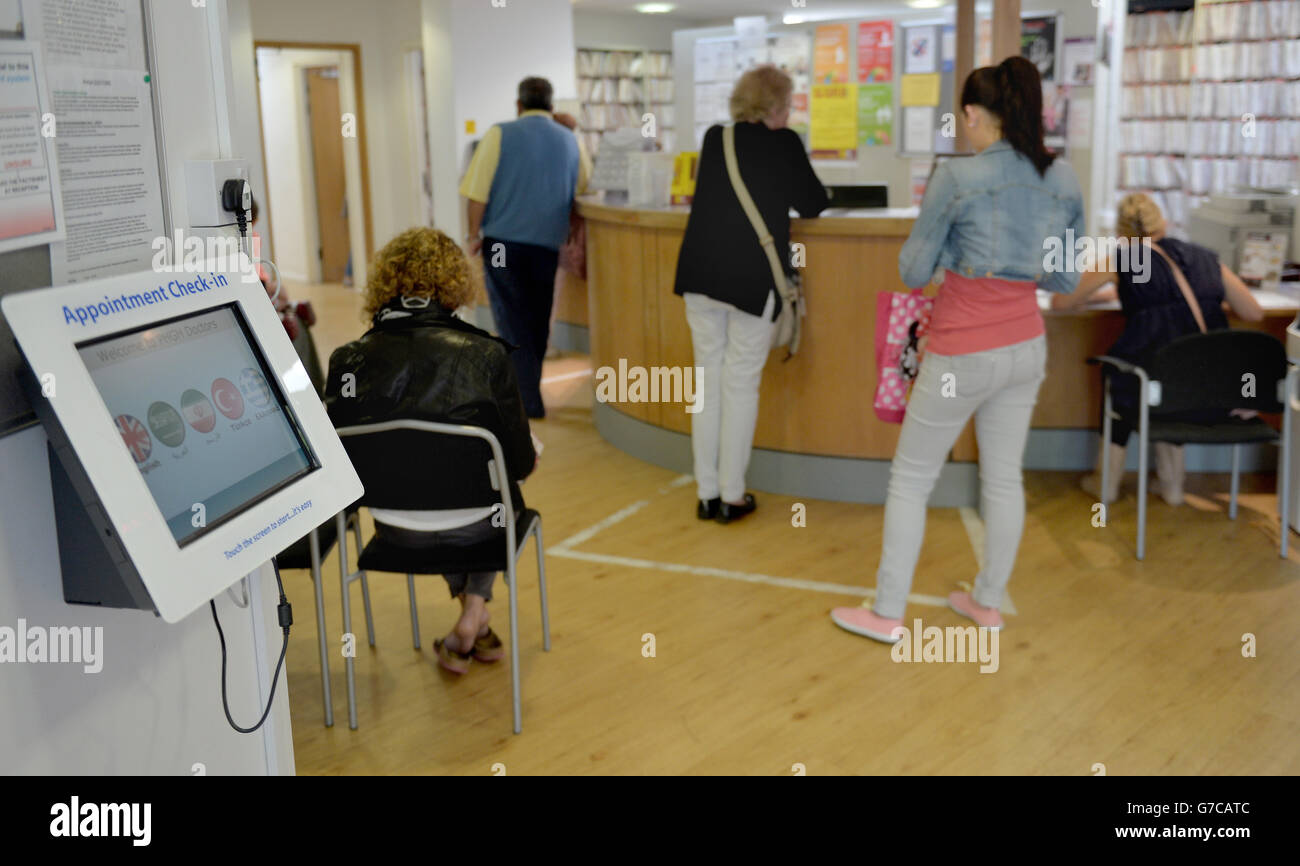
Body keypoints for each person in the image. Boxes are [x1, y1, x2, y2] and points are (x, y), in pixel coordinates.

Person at [831, 57, 1085, 643]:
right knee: (1003, 479)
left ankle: (888, 612)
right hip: (1026, 348)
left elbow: (913, 268)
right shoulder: (1062, 178)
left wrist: (956, 260)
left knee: (912, 478)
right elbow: (1063, 280)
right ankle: (986, 601)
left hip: (960, 354)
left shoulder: (956, 176)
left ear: (973, 114)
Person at [324, 227, 537, 675]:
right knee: (492, 492)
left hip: (393, 530)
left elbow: (341, 469)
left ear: (384, 283)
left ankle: (473, 623)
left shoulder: (347, 361)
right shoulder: (485, 354)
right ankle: (474, 616)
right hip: (479, 530)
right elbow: (520, 465)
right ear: (455, 284)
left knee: (438, 477)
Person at [673, 65, 829, 524]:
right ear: (777, 106)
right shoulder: (785, 144)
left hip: (700, 275)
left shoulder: (714, 138)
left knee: (708, 382)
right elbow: (814, 203)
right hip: (752, 279)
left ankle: (705, 493)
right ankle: (732, 495)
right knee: (739, 383)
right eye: (790, 102)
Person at [1052, 193, 1264, 505]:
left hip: (1147, 386)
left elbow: (1062, 302)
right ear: (1163, 223)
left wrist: (1103, 293)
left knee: (1123, 372)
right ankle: (1172, 484)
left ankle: (1106, 484)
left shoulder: (1123, 259)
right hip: (1209, 389)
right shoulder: (1205, 258)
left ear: (1122, 233)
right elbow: (1253, 312)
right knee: (1174, 378)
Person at [460, 76, 592, 419]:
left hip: (503, 244)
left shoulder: (499, 134)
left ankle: (527, 399)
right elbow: (584, 184)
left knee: (510, 317)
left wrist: (473, 235)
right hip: (546, 245)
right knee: (536, 318)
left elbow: (476, 192)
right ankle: (529, 393)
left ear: (518, 105)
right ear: (551, 106)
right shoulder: (570, 140)